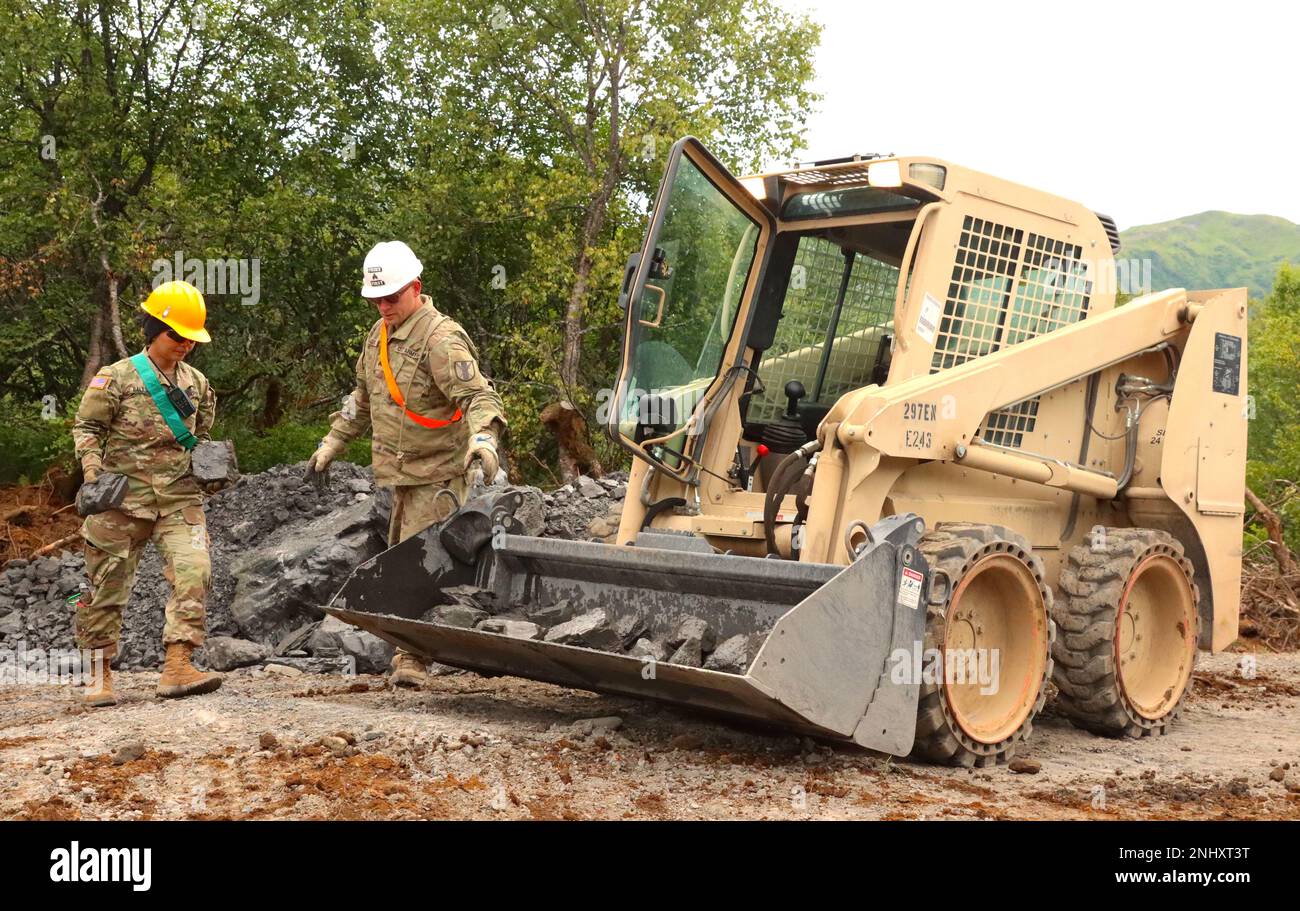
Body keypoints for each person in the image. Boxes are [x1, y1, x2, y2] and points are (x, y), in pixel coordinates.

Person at [307, 241, 507, 687]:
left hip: (436, 474)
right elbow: (361, 399)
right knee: (402, 560)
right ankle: (410, 649)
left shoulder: (440, 339)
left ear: (415, 287)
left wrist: (483, 439)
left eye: (392, 297)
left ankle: (414, 658)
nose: (383, 306)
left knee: (421, 565)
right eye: (376, 299)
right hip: (398, 475)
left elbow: (477, 396)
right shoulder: (377, 337)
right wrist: (332, 442)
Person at [72, 280, 224, 706]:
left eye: (192, 339)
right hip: (121, 498)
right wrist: (92, 474)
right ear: (153, 329)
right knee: (106, 585)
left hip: (178, 496)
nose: (185, 346)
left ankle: (178, 664)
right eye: (177, 336)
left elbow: (203, 436)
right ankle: (99, 673)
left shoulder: (197, 385)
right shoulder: (115, 378)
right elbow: (86, 428)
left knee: (195, 570)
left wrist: (212, 468)